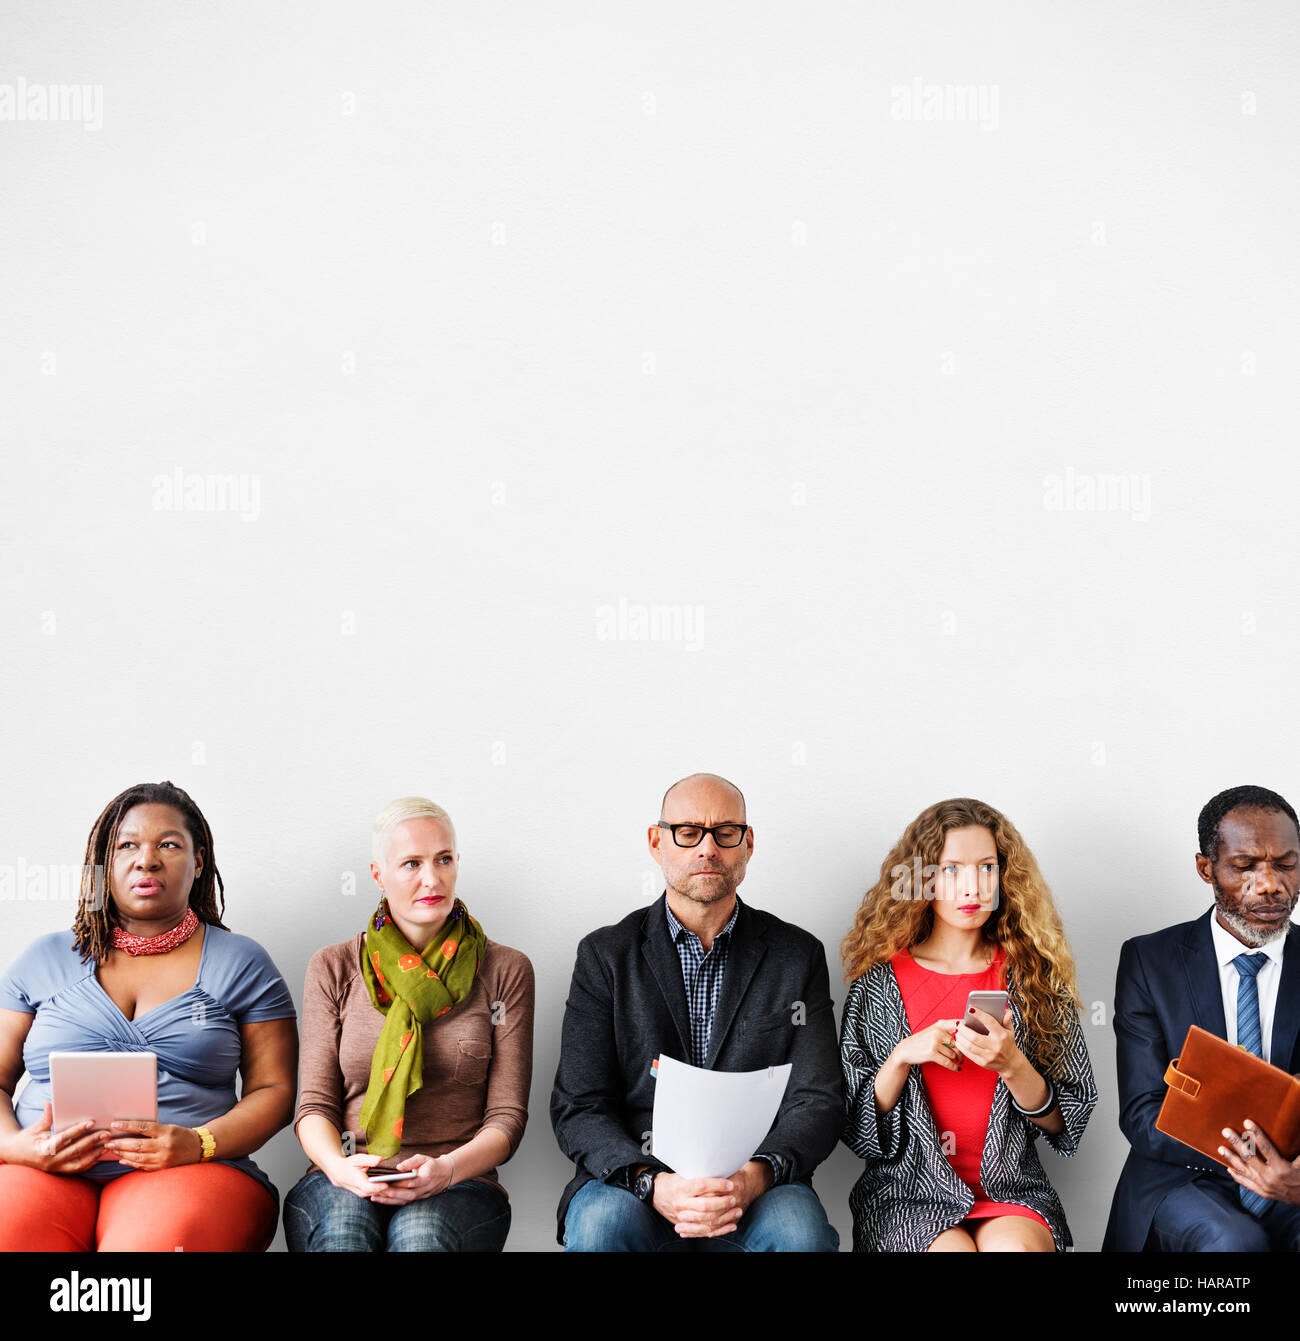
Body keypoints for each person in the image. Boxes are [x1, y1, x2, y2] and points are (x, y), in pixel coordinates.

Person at [0, 780, 298, 1251]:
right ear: (104, 865)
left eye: (169, 844)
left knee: (149, 1252)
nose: (147, 859)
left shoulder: (242, 962)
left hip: (190, 1169)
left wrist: (199, 1143)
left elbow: (276, 1090)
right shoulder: (42, 958)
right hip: (41, 1168)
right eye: (127, 845)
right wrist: (17, 1147)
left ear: (199, 862)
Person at [551, 772, 842, 1251]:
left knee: (800, 1235)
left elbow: (818, 1099)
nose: (707, 848)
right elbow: (578, 1105)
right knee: (599, 1227)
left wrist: (752, 1178)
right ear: (656, 841)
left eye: (725, 832)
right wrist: (651, 1182)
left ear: (748, 843)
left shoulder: (796, 955)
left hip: (756, 1182)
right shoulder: (605, 956)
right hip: (634, 1181)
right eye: (687, 832)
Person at [840, 797, 1096, 1252]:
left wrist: (1013, 1064)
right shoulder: (877, 985)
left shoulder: (1034, 976)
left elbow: (1067, 1122)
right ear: (922, 877)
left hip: (1011, 1192)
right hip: (907, 1197)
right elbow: (857, 1132)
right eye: (951, 869)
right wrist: (900, 1058)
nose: (972, 887)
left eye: (987, 867)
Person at [285, 797, 533, 1252]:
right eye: (411, 864)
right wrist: (340, 1169)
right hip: (343, 1174)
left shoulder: (505, 970)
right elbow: (313, 1106)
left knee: (420, 1238)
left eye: (444, 859)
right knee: (344, 1235)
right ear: (378, 874)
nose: (431, 879)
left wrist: (447, 1171)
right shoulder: (333, 966)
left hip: (460, 1181)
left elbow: (507, 1117)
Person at [1103, 784, 1300, 1251]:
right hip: (1183, 1172)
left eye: (1286, 864)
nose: (1270, 883)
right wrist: (1252, 1159)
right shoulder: (1150, 961)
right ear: (1205, 868)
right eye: (1245, 865)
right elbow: (1143, 1111)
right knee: (1234, 1243)